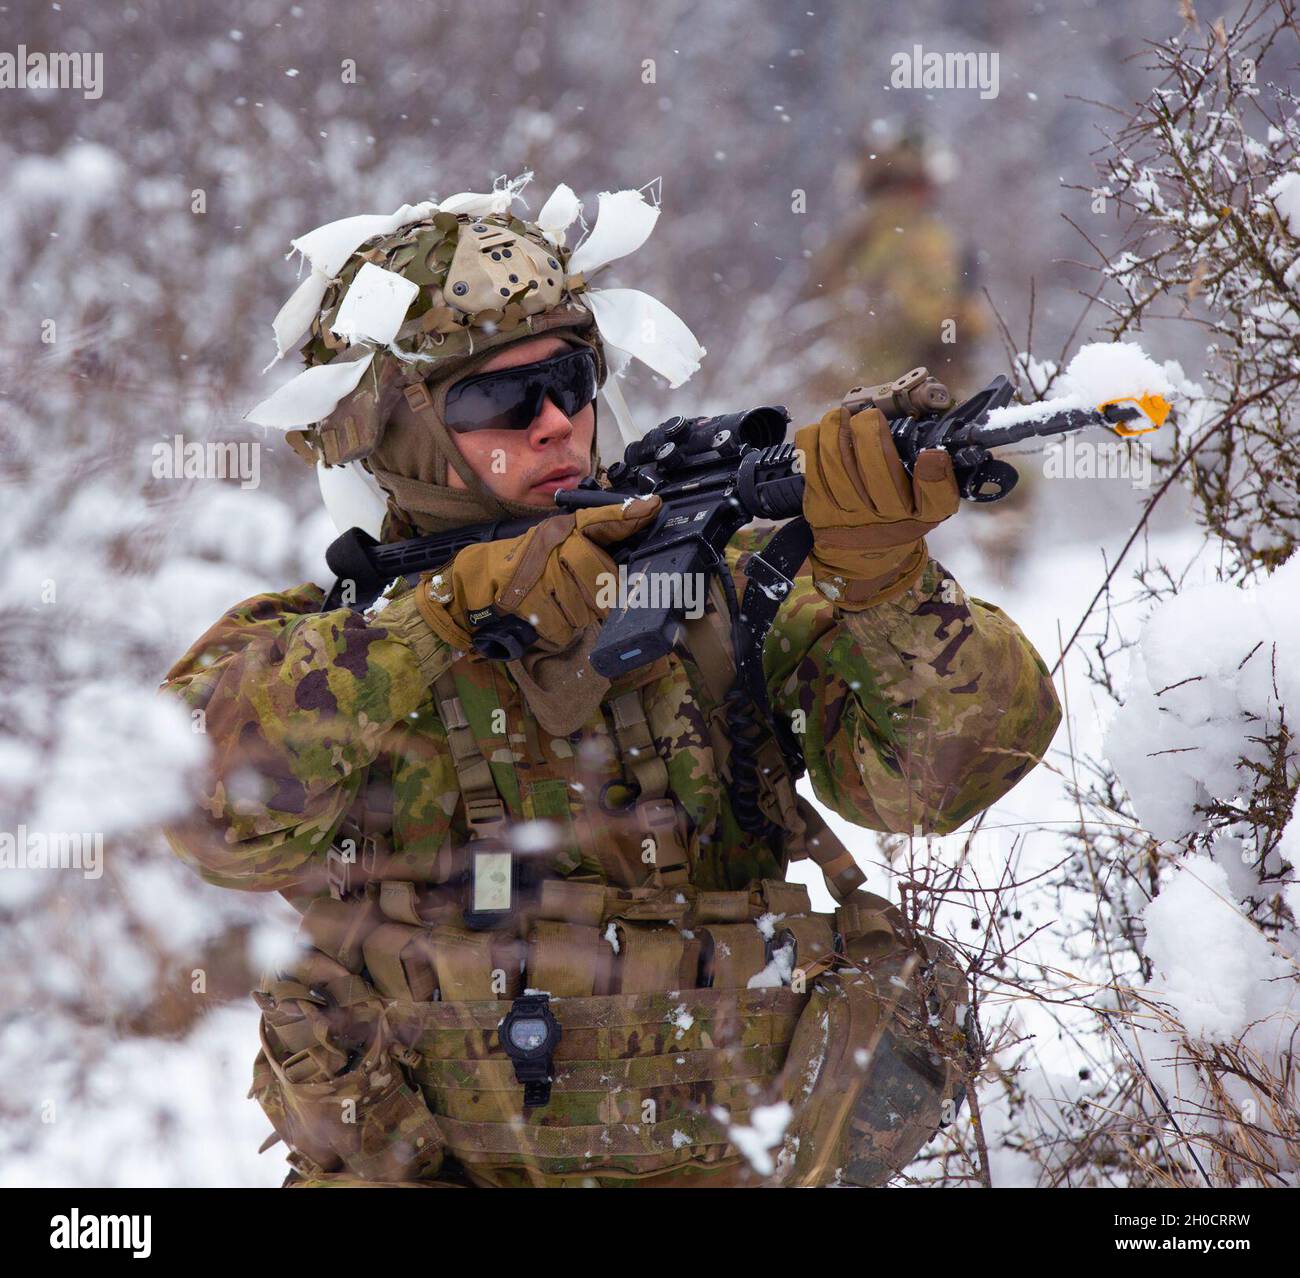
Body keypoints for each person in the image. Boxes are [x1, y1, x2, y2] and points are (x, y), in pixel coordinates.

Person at [160, 184, 1060, 1187]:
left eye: (569, 379)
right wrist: (441, 618)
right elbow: (203, 812)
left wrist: (887, 581)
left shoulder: (728, 587)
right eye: (498, 400)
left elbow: (944, 781)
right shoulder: (325, 643)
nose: (554, 423)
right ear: (394, 427)